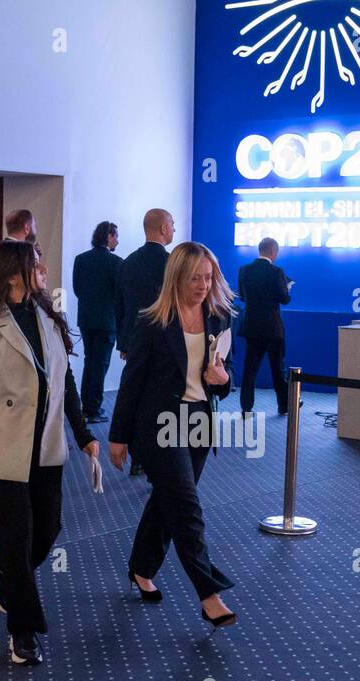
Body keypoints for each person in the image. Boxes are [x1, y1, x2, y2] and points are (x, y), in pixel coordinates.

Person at [0, 240, 98, 667]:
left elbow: (66, 384)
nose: (42, 268)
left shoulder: (48, 316)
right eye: (35, 263)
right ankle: (23, 632)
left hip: (45, 442)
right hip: (1, 442)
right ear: (12, 273)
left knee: (48, 529)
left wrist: (83, 435)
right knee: (20, 533)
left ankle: (0, 566)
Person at [108, 241, 237, 632]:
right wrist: (119, 436)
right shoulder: (153, 321)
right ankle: (208, 594)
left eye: (208, 277)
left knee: (168, 502)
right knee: (186, 507)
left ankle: (141, 567)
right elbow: (131, 383)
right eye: (194, 277)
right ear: (177, 277)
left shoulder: (220, 317)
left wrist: (223, 380)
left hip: (198, 420)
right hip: (159, 423)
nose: (202, 285)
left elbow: (223, 377)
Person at [116, 208, 176, 476]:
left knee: (134, 392)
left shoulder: (127, 262)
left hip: (133, 338)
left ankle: (138, 453)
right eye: (172, 225)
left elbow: (123, 306)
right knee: (158, 396)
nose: (173, 230)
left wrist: (124, 341)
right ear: (163, 229)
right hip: (166, 342)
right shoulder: (174, 263)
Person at [72, 221, 123, 423]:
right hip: (106, 322)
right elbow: (120, 294)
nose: (117, 241)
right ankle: (93, 409)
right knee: (100, 365)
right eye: (116, 236)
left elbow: (77, 289)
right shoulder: (116, 262)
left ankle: (87, 405)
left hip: (86, 319)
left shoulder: (81, 259)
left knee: (89, 362)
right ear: (108, 236)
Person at [236, 237, 294, 416]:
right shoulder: (277, 272)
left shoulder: (244, 270)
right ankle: (283, 405)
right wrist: (288, 288)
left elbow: (243, 297)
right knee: (277, 368)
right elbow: (284, 299)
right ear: (273, 252)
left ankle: (246, 407)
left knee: (249, 369)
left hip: (252, 326)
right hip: (272, 329)